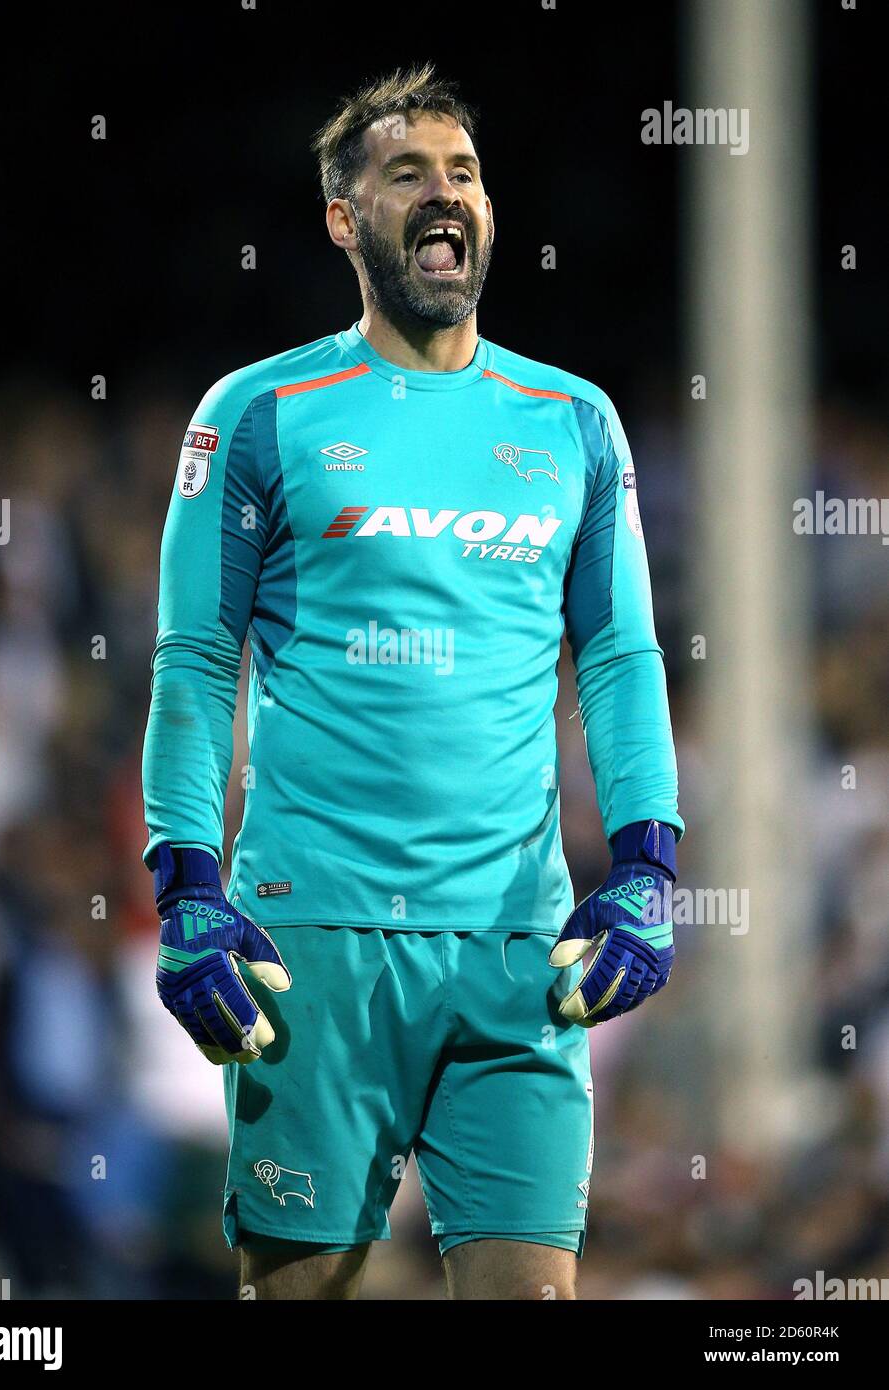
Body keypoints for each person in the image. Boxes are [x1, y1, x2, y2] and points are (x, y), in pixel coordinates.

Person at [142, 64, 683, 1300]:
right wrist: (185, 885)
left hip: (516, 948)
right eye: (407, 174)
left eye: (465, 173)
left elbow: (619, 657)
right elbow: (193, 661)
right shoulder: (260, 410)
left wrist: (650, 868)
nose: (446, 194)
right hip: (312, 951)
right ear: (345, 219)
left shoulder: (574, 421)